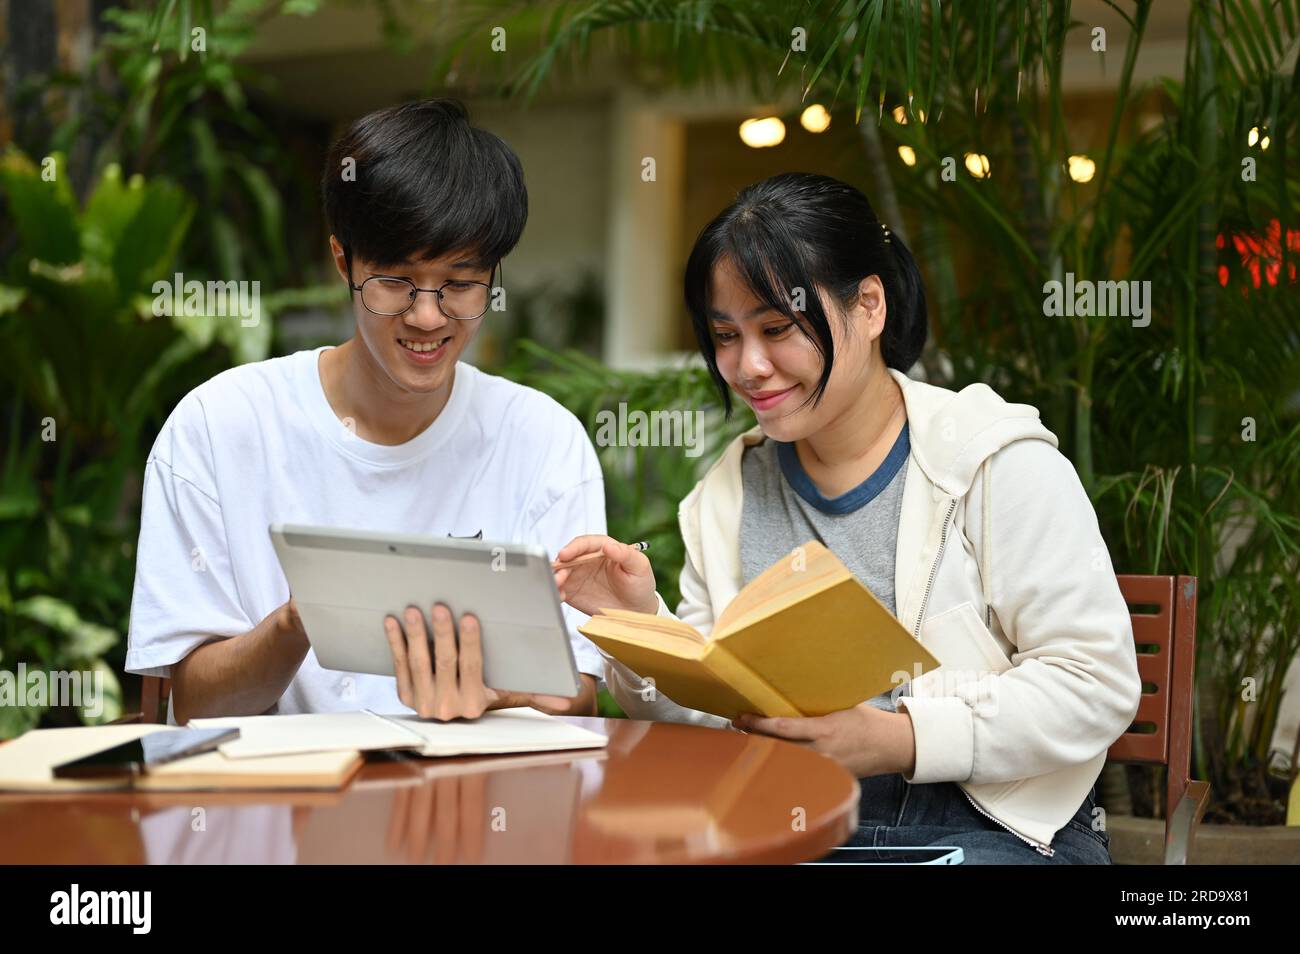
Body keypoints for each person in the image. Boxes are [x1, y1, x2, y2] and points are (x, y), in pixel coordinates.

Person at [554, 172, 1142, 863]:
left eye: (777, 329)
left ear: (869, 305)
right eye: (725, 336)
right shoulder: (727, 493)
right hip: (790, 823)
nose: (749, 367)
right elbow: (714, 718)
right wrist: (642, 623)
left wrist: (904, 739)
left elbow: (1094, 683)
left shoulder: (995, 461)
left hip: (996, 830)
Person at [126, 99, 604, 724]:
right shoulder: (220, 427)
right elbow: (186, 701)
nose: (428, 316)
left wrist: (499, 691)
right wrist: (302, 619)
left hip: (483, 804)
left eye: (460, 285)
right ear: (343, 260)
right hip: (278, 811)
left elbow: (577, 694)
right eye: (395, 283)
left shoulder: (543, 442)